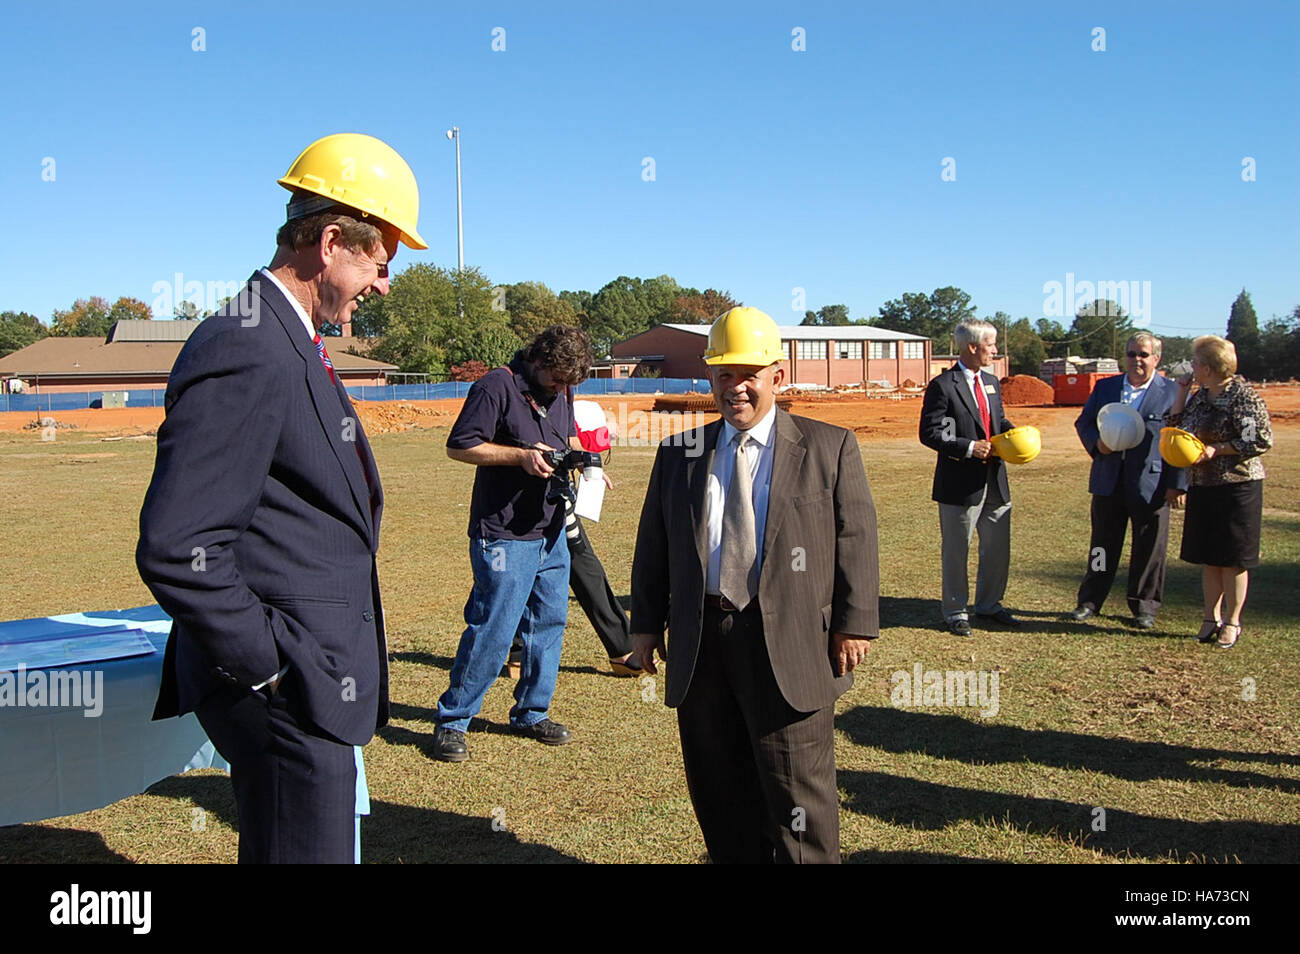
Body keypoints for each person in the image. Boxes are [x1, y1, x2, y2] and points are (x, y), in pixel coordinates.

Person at [137, 133, 426, 863]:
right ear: (332, 242)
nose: (385, 285)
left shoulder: (285, 337)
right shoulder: (248, 342)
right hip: (288, 688)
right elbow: (180, 546)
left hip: (310, 681)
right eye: (381, 264)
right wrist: (270, 667)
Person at [630, 306, 879, 863]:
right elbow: (655, 545)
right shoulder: (680, 453)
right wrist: (644, 626)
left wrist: (855, 624)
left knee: (799, 800)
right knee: (719, 794)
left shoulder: (828, 447)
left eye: (749, 374)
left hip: (791, 645)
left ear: (777, 376)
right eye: (724, 374)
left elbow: (856, 539)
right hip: (703, 647)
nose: (736, 387)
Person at [433, 325, 594, 762]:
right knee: (495, 628)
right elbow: (460, 446)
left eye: (568, 383)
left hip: (551, 528)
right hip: (504, 533)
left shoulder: (562, 389)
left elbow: (566, 436)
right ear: (539, 359)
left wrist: (585, 460)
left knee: (548, 624)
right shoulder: (495, 387)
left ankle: (531, 711)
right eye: (557, 379)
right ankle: (453, 720)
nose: (562, 389)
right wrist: (518, 456)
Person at [1071, 333, 1188, 629]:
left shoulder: (1172, 393)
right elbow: (1083, 422)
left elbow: (1180, 439)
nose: (1137, 359)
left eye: (1144, 354)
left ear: (1156, 358)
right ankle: (1089, 601)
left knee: (1150, 548)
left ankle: (1144, 606)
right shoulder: (1105, 387)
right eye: (1131, 353)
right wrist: (1098, 444)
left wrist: (1178, 483)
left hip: (1152, 482)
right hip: (1108, 480)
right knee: (1101, 546)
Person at [1166, 335, 1272, 649]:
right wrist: (1181, 393)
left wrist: (1218, 449)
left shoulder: (1242, 396)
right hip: (1204, 485)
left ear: (1210, 368)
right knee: (1209, 557)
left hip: (1237, 487)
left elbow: (1259, 440)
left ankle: (1232, 621)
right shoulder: (1201, 395)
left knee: (1232, 559)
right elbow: (1175, 426)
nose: (1192, 366)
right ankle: (1209, 618)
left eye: (1196, 362)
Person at [919, 318, 1017, 635]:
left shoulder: (991, 381)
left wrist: (1015, 435)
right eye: (991, 344)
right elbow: (929, 433)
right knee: (957, 549)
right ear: (973, 347)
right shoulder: (942, 386)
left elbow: (997, 421)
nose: (996, 350)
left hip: (995, 482)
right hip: (959, 485)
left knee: (998, 547)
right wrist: (969, 447)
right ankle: (956, 610)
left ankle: (989, 605)